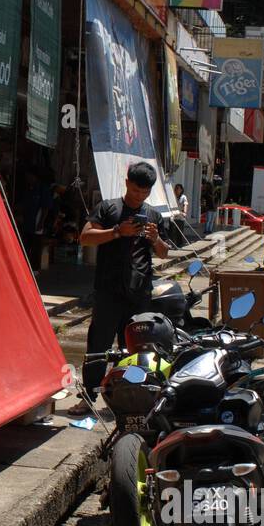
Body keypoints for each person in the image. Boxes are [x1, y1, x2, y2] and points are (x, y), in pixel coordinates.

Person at [79, 161, 170, 399]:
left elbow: (164, 252)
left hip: (139, 293)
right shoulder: (108, 209)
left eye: (144, 192)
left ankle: (128, 396)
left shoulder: (154, 216)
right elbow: (85, 238)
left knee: (135, 348)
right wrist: (117, 232)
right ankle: (90, 396)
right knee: (99, 346)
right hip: (108, 291)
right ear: (127, 183)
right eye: (135, 190)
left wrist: (155, 239)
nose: (139, 196)